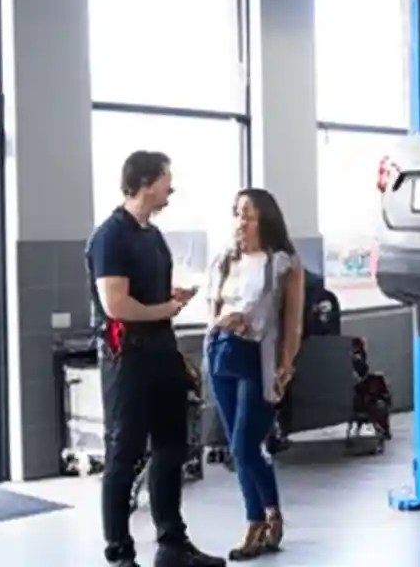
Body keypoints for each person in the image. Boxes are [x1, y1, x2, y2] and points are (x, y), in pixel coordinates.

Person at [87, 150, 225, 567]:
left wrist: (171, 298)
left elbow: (147, 294)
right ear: (145, 183)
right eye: (166, 179)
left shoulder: (153, 235)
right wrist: (164, 309)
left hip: (161, 351)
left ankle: (172, 544)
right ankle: (120, 553)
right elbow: (115, 304)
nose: (171, 187)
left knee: (171, 447)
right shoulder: (111, 236)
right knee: (124, 452)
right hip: (127, 358)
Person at [203, 188, 305, 561]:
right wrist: (222, 322)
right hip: (222, 352)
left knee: (244, 446)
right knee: (241, 446)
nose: (240, 222)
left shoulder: (283, 264)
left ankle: (255, 521)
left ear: (265, 220)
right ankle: (271, 514)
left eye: (247, 214)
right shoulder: (223, 261)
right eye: (236, 213)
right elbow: (212, 311)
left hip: (258, 357)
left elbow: (292, 322)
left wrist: (286, 364)